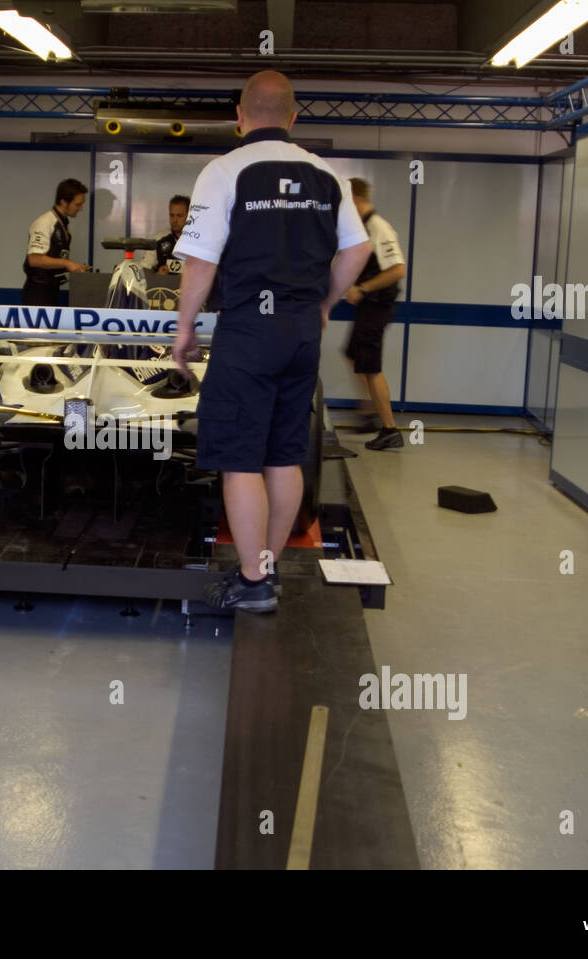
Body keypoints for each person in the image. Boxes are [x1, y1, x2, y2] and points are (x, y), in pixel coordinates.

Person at [172, 71, 371, 612]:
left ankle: (253, 582)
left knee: (240, 458)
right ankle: (268, 567)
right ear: (293, 117)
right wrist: (325, 304)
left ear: (240, 115)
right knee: (284, 454)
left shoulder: (224, 170)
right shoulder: (328, 174)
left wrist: (184, 329)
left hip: (248, 330)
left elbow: (199, 262)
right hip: (301, 331)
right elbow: (357, 251)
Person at [344, 177, 407, 450]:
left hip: (377, 305)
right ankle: (369, 412)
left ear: (355, 200)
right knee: (353, 354)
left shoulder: (378, 227)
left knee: (370, 367)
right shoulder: (363, 227)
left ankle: (389, 428)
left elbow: (397, 270)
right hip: (369, 306)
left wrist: (363, 288)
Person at [23, 178, 90, 305]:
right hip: (38, 293)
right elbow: (34, 259)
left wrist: (75, 267)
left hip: (51, 289)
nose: (80, 208)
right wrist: (67, 263)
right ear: (64, 202)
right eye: (77, 204)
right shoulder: (45, 223)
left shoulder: (62, 223)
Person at [142, 194, 190, 274]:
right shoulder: (158, 240)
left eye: (179, 216)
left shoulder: (198, 241)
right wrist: (157, 275)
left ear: (189, 216)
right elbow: (144, 270)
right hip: (164, 286)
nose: (174, 220)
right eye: (172, 215)